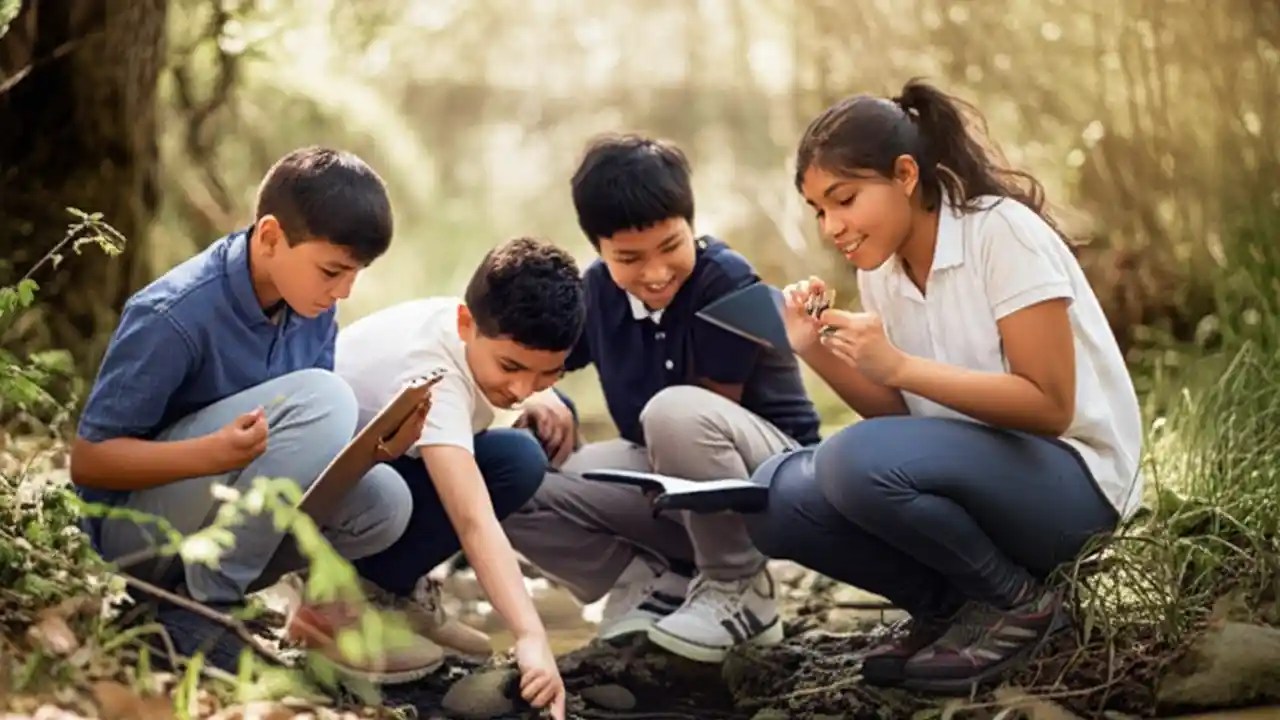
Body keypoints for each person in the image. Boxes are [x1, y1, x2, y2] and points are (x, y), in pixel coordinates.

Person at [744, 80, 1143, 693]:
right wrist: (812, 348)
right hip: (979, 479)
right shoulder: (884, 267)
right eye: (820, 211)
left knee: (848, 459)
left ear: (905, 174)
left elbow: (1050, 404)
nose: (832, 227)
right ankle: (952, 609)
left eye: (844, 199)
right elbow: (900, 420)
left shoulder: (1000, 233)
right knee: (775, 498)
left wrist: (898, 363)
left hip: (1075, 488)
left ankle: (1020, 604)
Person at [70, 147, 443, 680]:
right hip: (133, 536)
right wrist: (210, 453)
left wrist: (377, 449)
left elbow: (296, 454)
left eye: (355, 274)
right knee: (327, 396)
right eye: (332, 270)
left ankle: (204, 601)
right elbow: (88, 463)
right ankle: (205, 608)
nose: (343, 290)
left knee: (386, 500)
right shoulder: (173, 313)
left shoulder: (313, 310)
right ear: (270, 237)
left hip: (218, 521)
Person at [502, 134, 823, 664]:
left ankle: (739, 587)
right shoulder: (598, 293)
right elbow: (536, 365)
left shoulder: (727, 283)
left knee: (673, 411)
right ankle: (655, 583)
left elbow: (699, 424)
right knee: (507, 474)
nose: (654, 273)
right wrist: (539, 399)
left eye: (671, 247)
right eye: (629, 257)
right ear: (600, 251)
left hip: (773, 481)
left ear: (690, 226)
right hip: (672, 480)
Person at [326, 237, 584, 718]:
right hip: (325, 509)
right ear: (468, 324)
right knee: (514, 463)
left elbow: (515, 373)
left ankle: (392, 594)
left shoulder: (474, 328)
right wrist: (530, 636)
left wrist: (537, 393)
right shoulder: (433, 374)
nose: (521, 388)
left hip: (374, 482)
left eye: (547, 373)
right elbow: (472, 519)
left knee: (520, 452)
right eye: (511, 367)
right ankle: (341, 607)